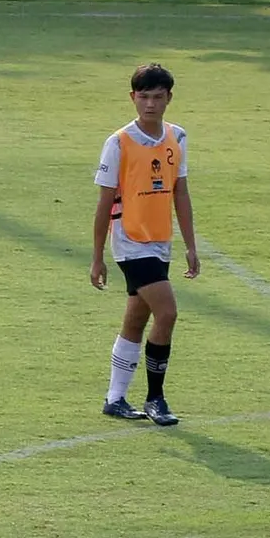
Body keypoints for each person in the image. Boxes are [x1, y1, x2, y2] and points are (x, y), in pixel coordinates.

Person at [89, 62, 198, 427]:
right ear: (133, 98)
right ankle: (156, 398)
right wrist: (97, 258)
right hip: (131, 241)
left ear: (169, 98)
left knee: (137, 318)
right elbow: (104, 203)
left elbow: (180, 192)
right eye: (144, 97)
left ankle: (115, 398)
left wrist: (191, 245)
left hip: (160, 241)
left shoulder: (177, 138)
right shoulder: (118, 142)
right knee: (167, 313)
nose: (150, 104)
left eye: (158, 97)